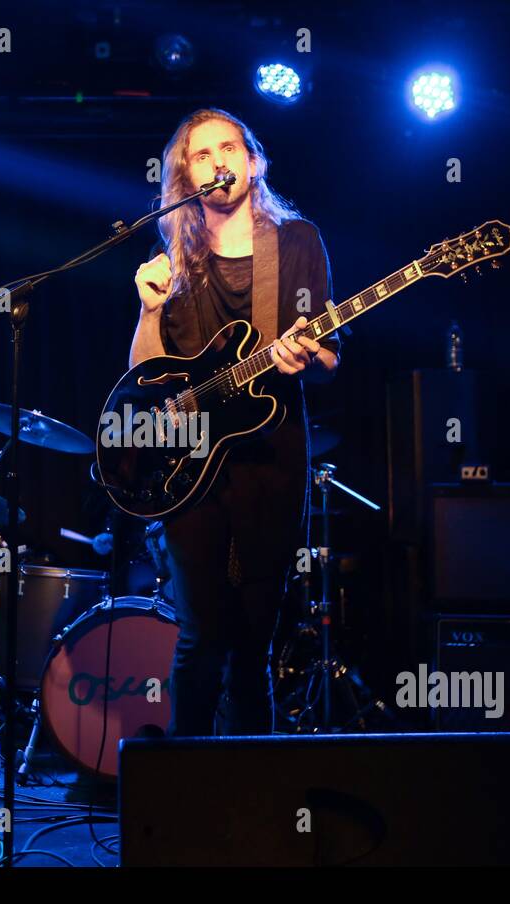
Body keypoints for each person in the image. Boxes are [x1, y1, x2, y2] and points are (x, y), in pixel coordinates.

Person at [128, 108, 340, 736]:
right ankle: (181, 795)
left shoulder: (297, 242)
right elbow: (144, 377)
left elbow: (329, 359)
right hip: (192, 464)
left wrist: (310, 353)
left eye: (230, 148)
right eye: (202, 153)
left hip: (272, 457)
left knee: (253, 645)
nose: (219, 161)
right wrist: (147, 311)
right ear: (184, 173)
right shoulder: (175, 255)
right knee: (201, 636)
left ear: (252, 160)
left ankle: (257, 805)